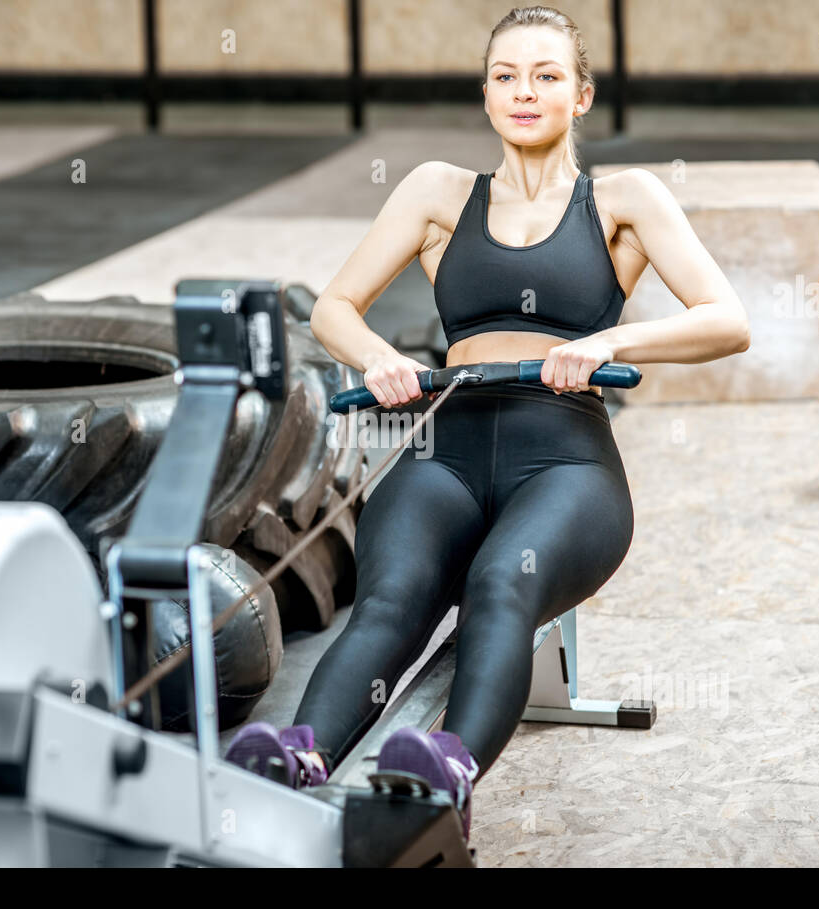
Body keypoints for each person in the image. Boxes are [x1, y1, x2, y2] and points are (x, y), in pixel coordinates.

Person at [225, 5, 749, 841]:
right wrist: (377, 358)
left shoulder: (622, 199)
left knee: (501, 583)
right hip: (449, 445)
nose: (524, 91)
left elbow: (727, 318)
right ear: (486, 95)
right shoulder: (438, 193)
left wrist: (607, 339)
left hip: (566, 461)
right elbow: (334, 306)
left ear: (581, 96)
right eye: (506, 76)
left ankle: (446, 768)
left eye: (546, 76)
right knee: (390, 597)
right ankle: (299, 755)